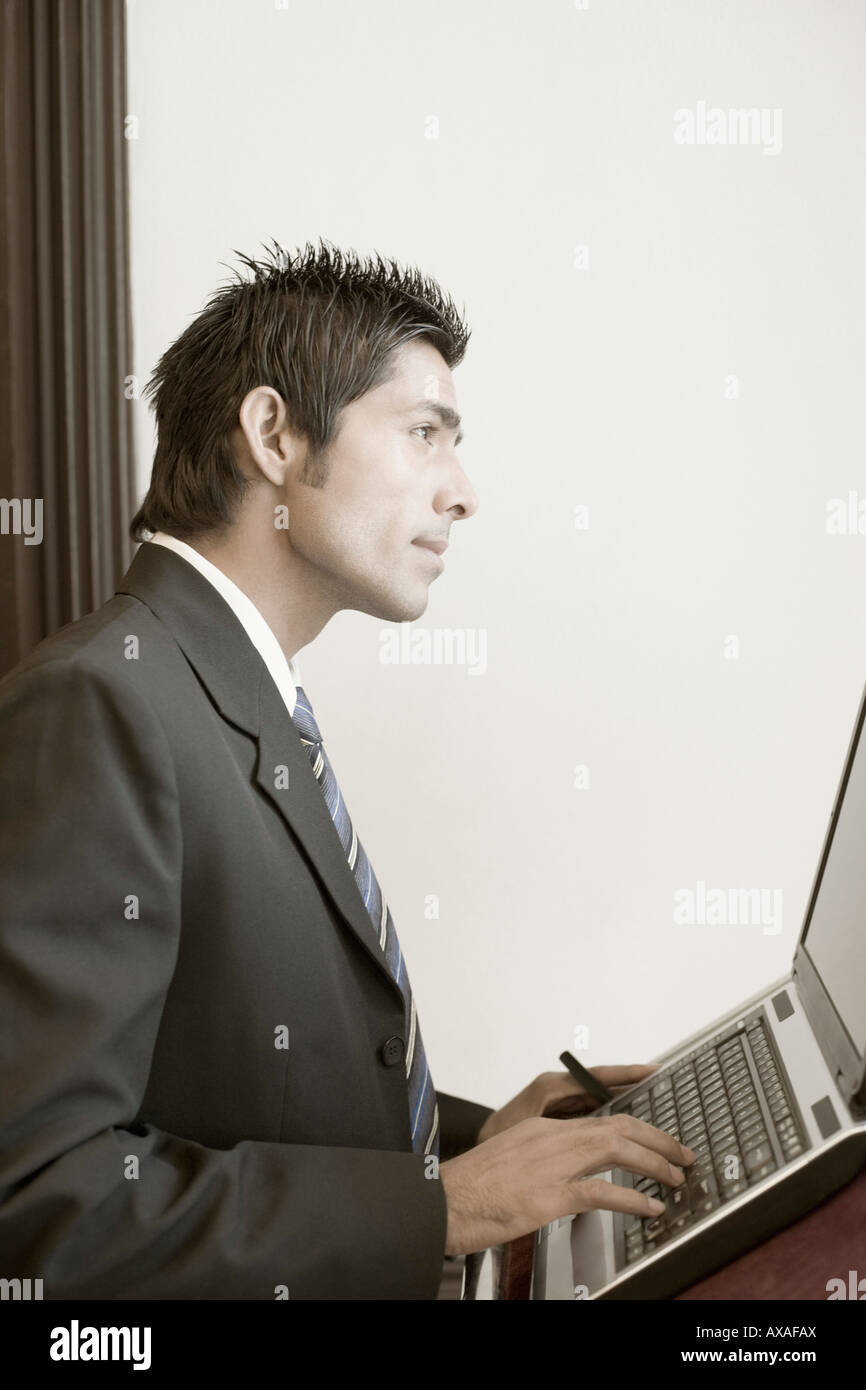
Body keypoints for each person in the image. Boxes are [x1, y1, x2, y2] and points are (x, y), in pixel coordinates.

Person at [0, 239, 694, 1299]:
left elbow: (222, 1091)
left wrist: (464, 1145)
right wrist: (445, 1208)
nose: (460, 492)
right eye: (424, 434)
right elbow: (44, 1206)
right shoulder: (104, 701)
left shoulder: (231, 689)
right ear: (274, 435)